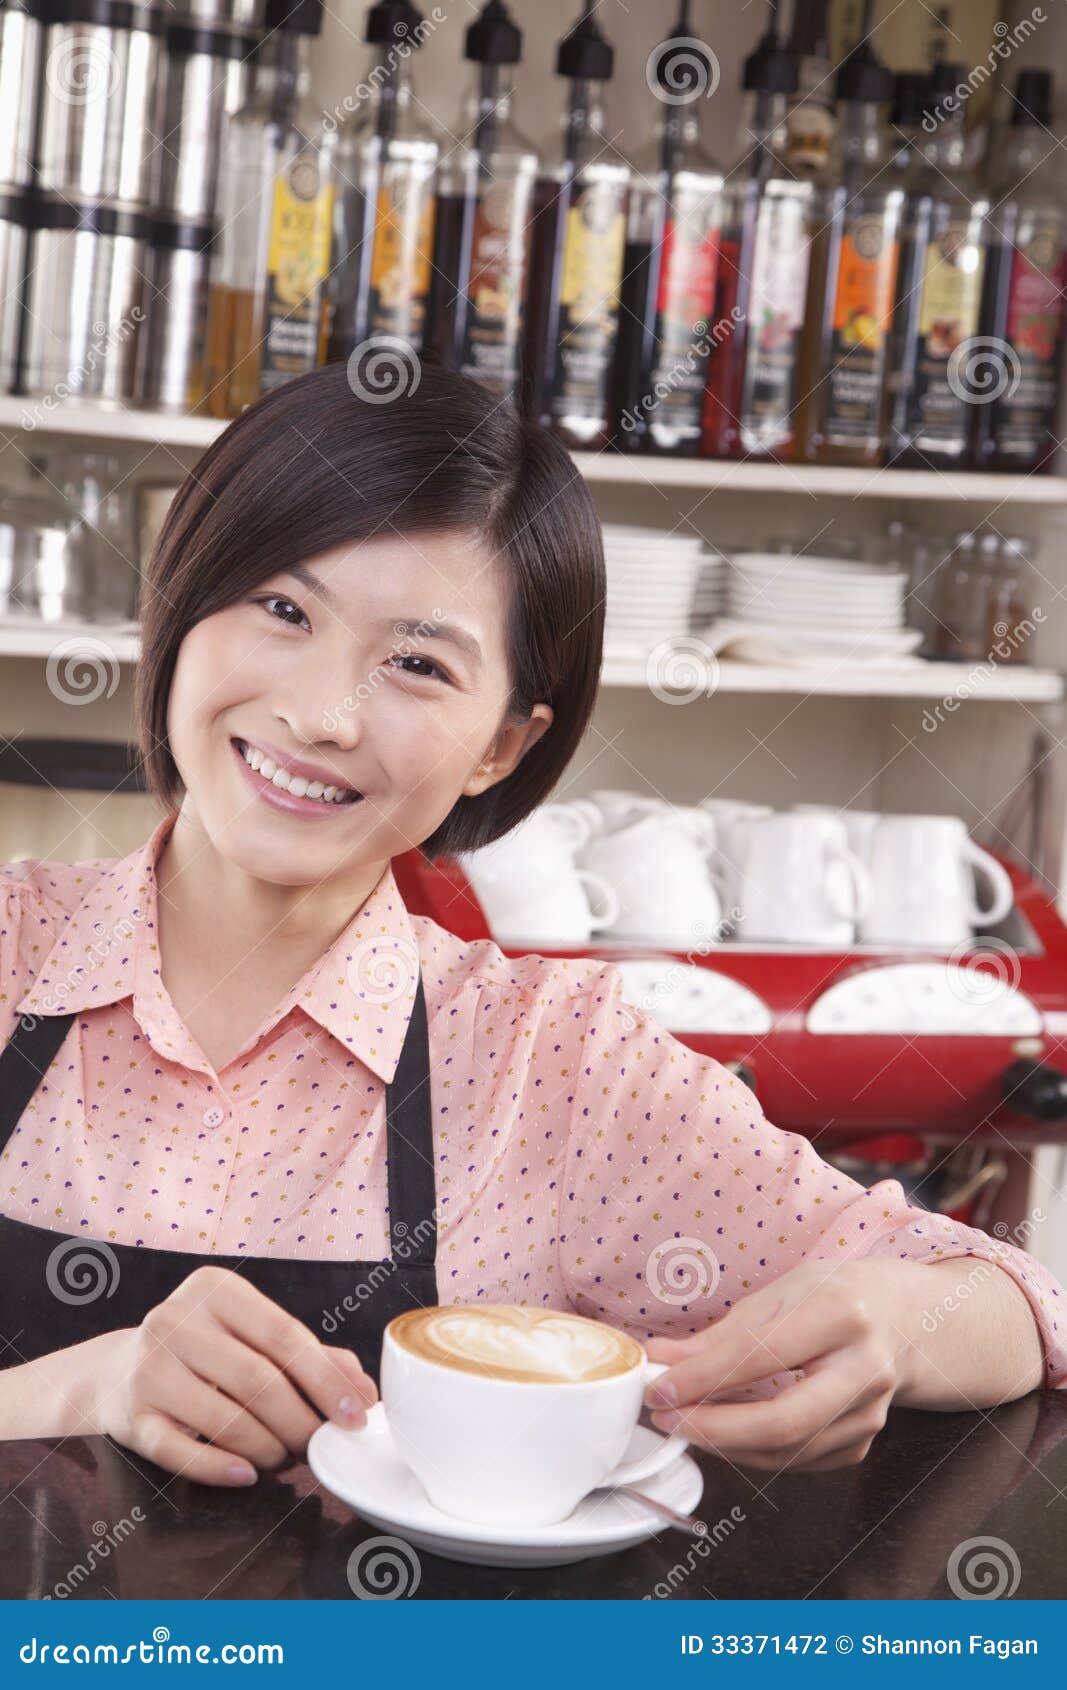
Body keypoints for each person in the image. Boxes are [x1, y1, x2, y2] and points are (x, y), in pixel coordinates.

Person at [0, 362, 1062, 1492]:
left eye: (417, 663)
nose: (319, 713)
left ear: (501, 745)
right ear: (179, 599)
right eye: (281, 608)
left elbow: (1011, 1302)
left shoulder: (553, 1071)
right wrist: (78, 1389)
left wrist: (892, 1321)